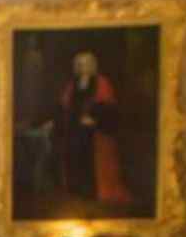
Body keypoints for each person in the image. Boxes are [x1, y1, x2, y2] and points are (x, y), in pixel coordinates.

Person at [56, 51, 131, 207]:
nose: (84, 67)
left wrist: (94, 119)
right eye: (81, 64)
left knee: (94, 161)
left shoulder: (102, 82)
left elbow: (108, 107)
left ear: (92, 65)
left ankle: (93, 192)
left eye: (87, 64)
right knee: (76, 158)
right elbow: (65, 106)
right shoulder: (73, 84)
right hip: (76, 130)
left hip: (95, 131)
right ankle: (78, 190)